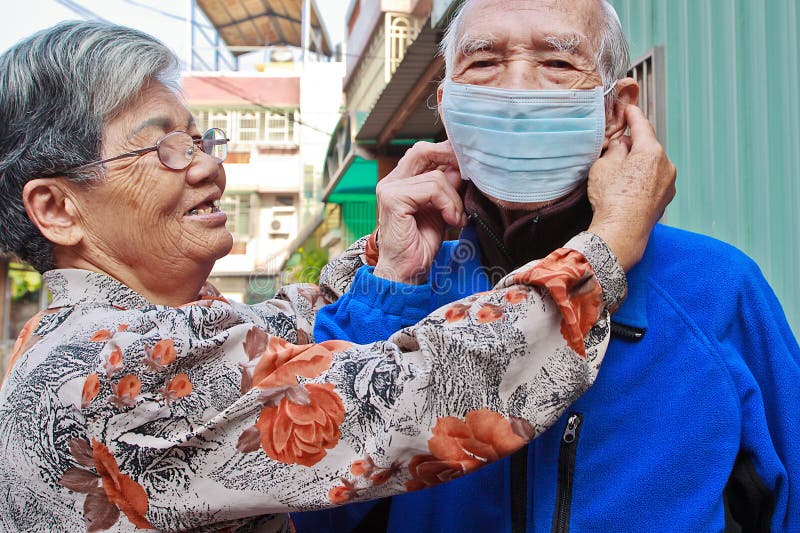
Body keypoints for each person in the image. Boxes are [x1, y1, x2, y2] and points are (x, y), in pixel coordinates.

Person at [0, 20, 674, 533]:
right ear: (58, 208)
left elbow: (281, 330)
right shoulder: (106, 367)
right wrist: (608, 244)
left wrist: (387, 256)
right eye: (165, 148)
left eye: (200, 139)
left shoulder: (113, 333)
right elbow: (413, 396)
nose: (207, 167)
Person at [293, 0, 800, 532]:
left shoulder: (715, 288)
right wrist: (391, 287)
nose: (517, 90)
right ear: (446, 106)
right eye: (484, 63)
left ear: (616, 109)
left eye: (558, 64)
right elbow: (311, 507)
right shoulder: (397, 287)